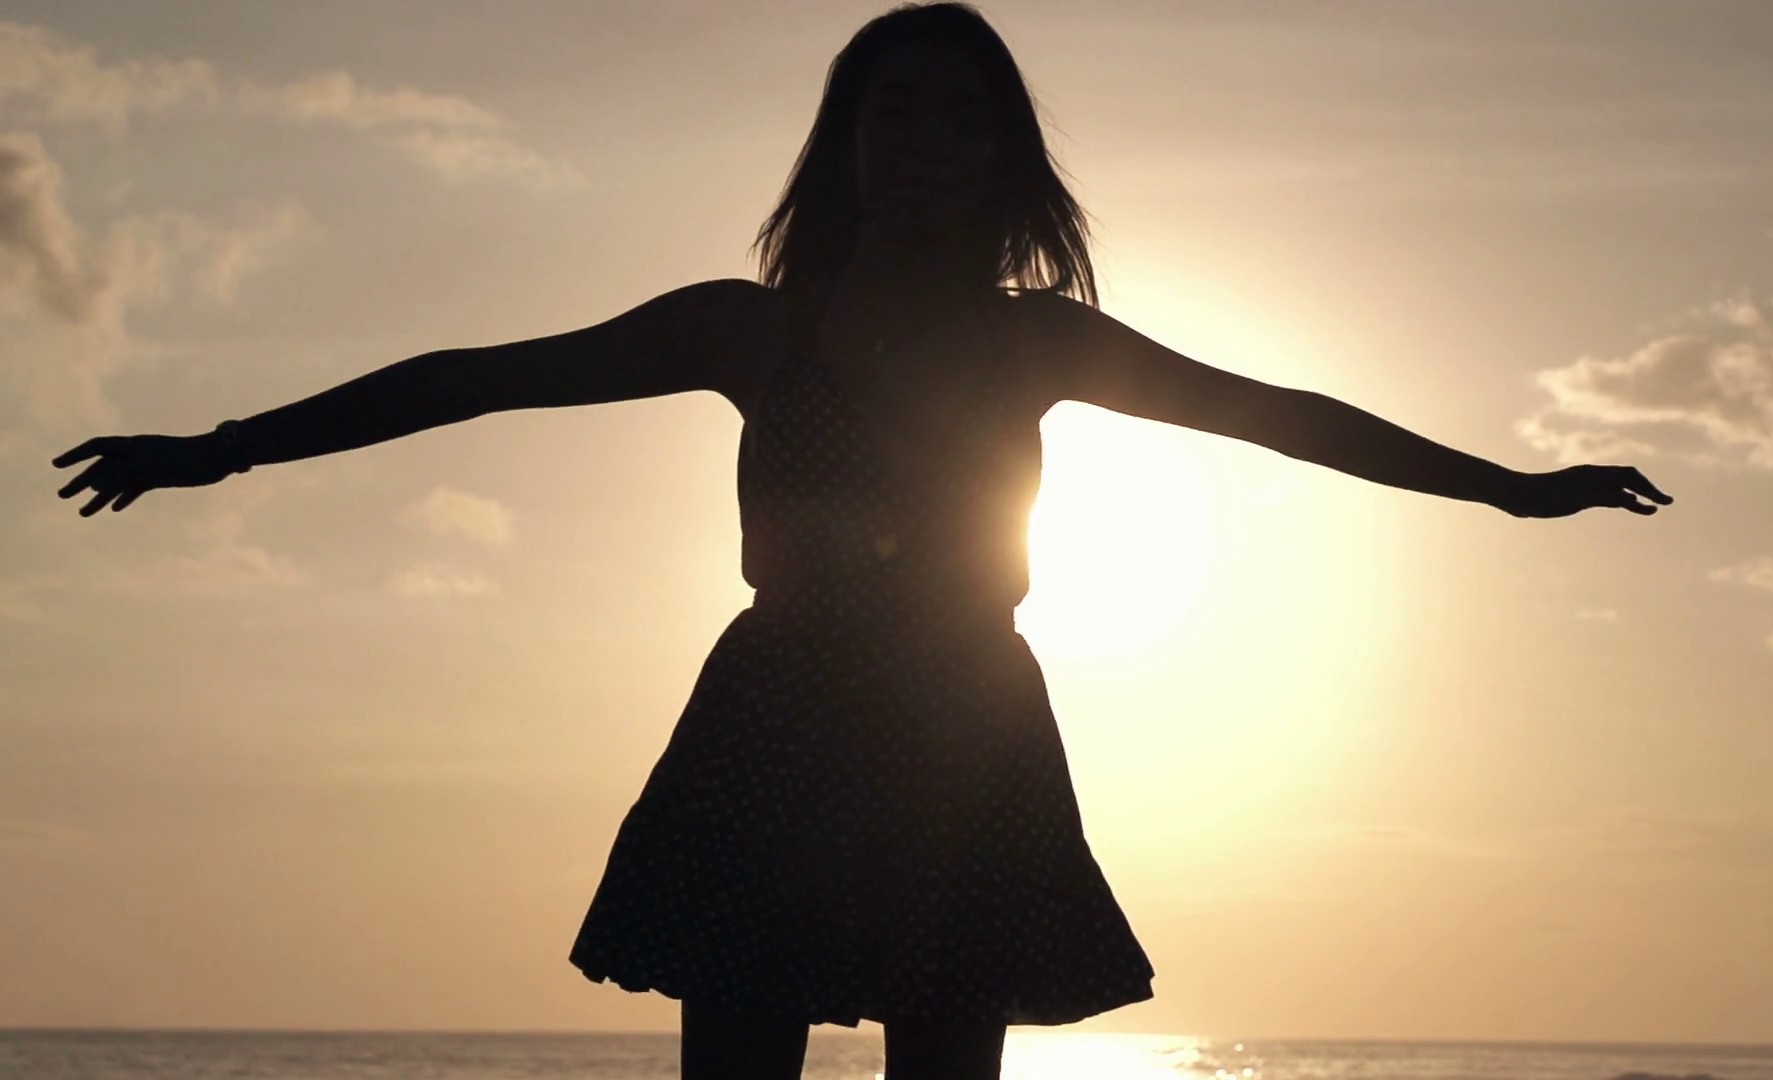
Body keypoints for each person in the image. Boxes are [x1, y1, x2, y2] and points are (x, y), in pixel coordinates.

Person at [51, 4, 1671, 1078]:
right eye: (896, 117)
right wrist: (226, 447)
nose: (925, 144)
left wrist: (1511, 490)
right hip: (774, 722)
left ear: (999, 158)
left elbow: (1281, 414)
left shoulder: (1046, 344)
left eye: (958, 123)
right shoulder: (750, 331)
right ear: (849, 144)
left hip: (969, 735)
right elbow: (479, 382)